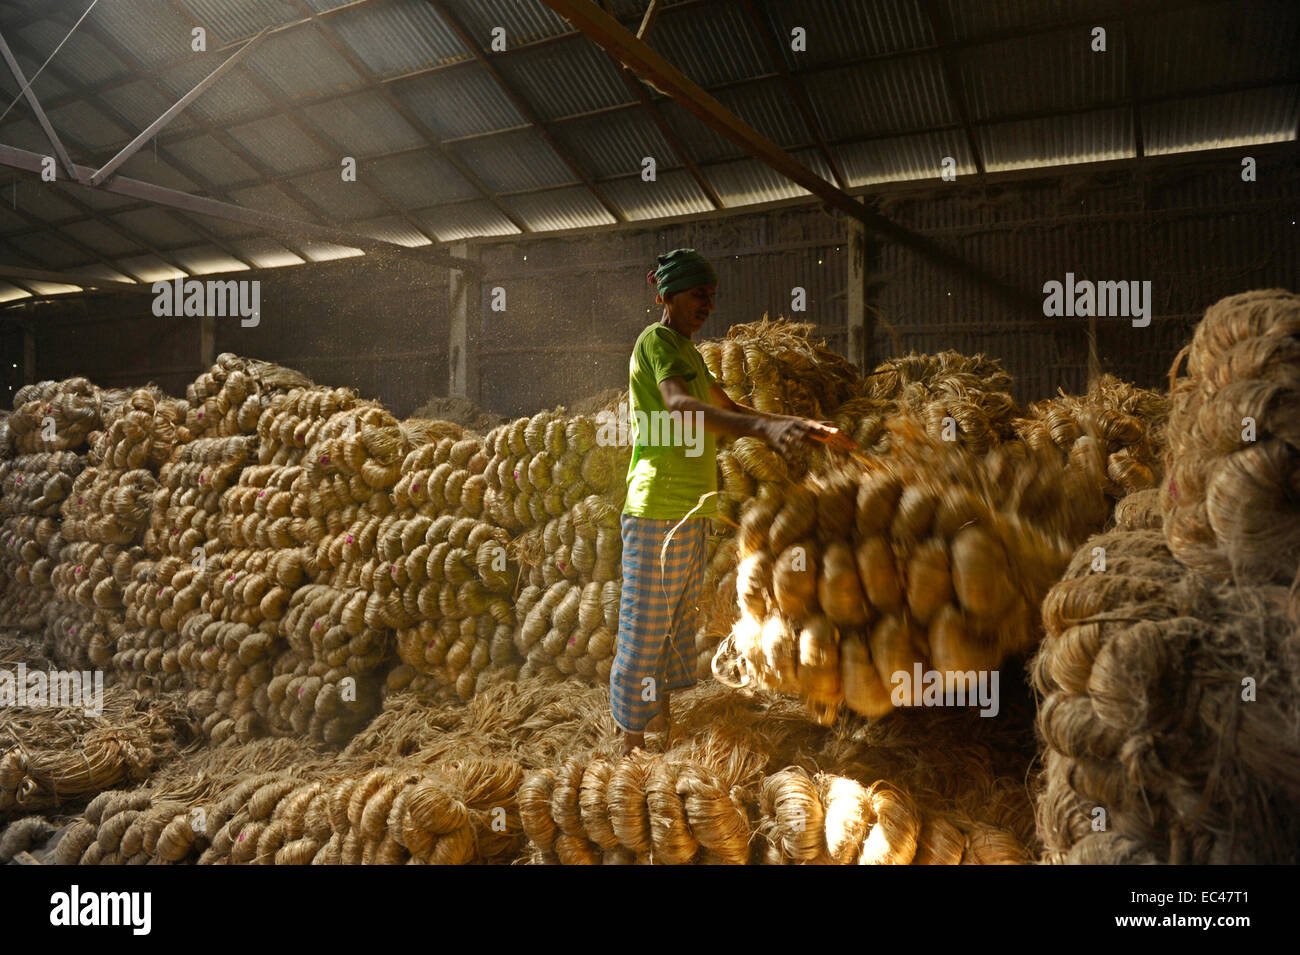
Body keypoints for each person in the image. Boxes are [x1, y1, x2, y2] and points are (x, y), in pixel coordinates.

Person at [609, 248, 834, 756]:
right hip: (655, 507)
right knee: (643, 631)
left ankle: (658, 734)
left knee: (672, 631)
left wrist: (794, 425)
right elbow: (679, 405)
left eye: (711, 295)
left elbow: (724, 407)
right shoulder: (657, 342)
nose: (706, 303)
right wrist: (762, 428)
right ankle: (625, 752)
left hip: (691, 507)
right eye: (697, 294)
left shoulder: (688, 351)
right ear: (667, 295)